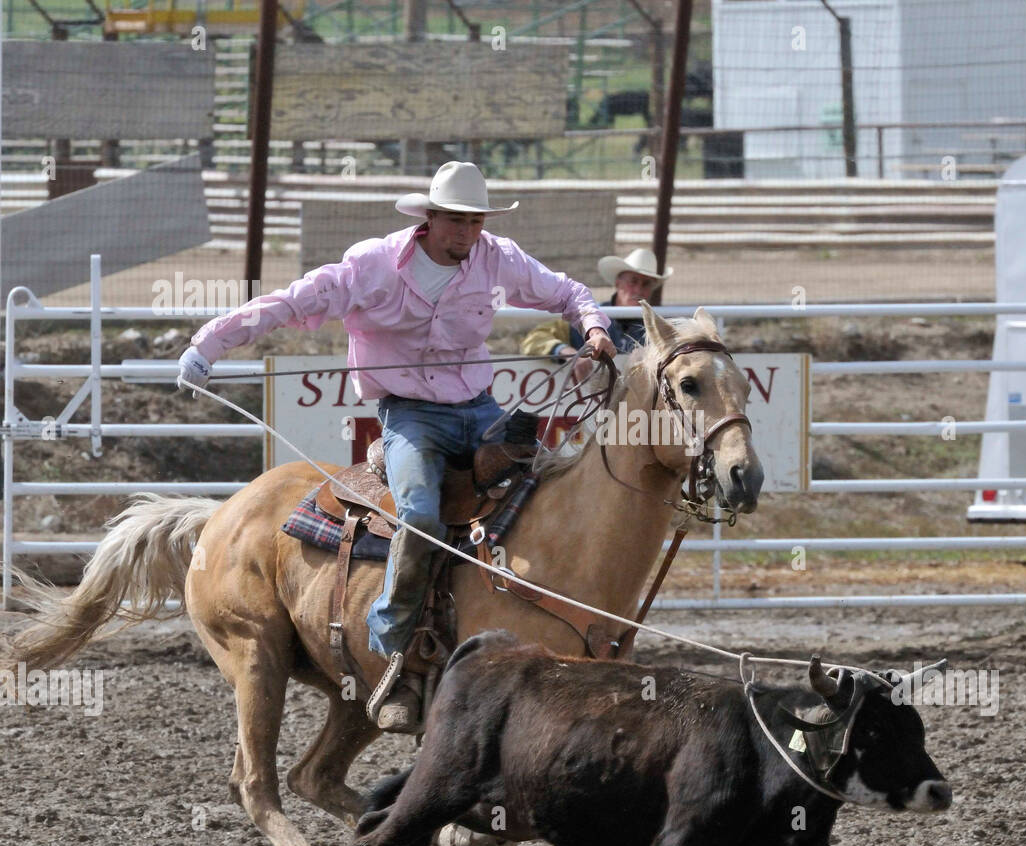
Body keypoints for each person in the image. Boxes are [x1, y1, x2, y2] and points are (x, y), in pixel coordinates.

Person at [177, 161, 615, 731]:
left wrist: (596, 329)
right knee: (422, 517)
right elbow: (288, 303)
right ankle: (391, 644)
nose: (467, 232)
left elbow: (569, 292)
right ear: (428, 219)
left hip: (479, 408)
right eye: (456, 220)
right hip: (411, 416)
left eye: (475, 220)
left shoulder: (496, 256)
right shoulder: (372, 266)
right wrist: (207, 346)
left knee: (550, 493)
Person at [520, 247, 672, 360]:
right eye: (633, 281)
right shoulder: (587, 315)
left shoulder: (660, 326)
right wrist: (568, 353)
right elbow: (533, 339)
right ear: (618, 283)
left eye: (646, 284)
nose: (638, 289)